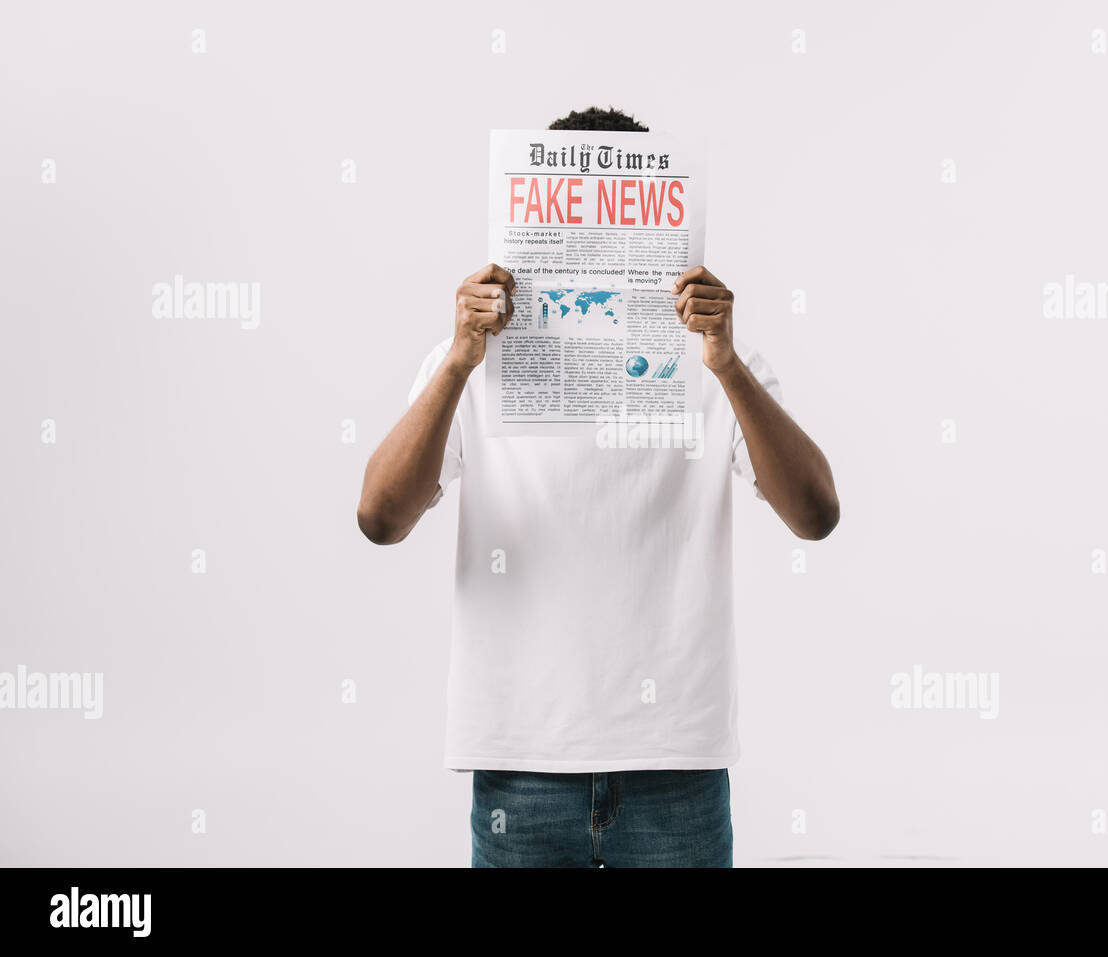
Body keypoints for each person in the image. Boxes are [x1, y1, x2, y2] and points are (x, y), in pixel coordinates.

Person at [357, 106, 839, 867]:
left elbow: (816, 515)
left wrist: (727, 365)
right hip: (521, 759)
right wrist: (455, 363)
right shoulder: (474, 362)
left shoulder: (715, 361)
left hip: (675, 763)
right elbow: (380, 517)